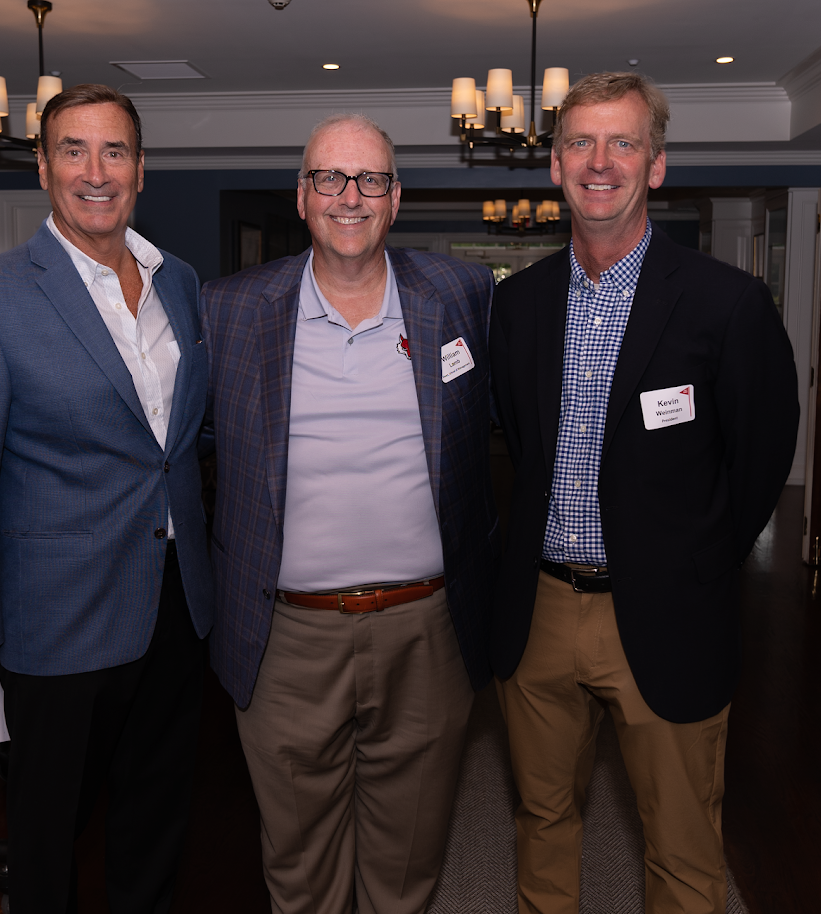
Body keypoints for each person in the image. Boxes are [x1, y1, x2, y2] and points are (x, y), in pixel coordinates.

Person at [489, 72, 799, 914]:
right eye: (580, 143)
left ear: (656, 166)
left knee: (682, 846)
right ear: (554, 165)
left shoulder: (726, 303)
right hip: (541, 609)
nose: (601, 162)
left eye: (623, 142)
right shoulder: (517, 306)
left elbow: (762, 453)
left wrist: (694, 561)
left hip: (667, 612)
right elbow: (518, 440)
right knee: (542, 821)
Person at [0, 84, 213, 913]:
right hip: (55, 622)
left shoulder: (178, 282)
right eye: (74, 151)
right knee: (47, 835)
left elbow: (171, 446)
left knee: (156, 817)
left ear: (141, 170)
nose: (96, 171)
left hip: (174, 607)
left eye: (114, 151)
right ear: (43, 167)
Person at [200, 113, 497, 914]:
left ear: (396, 199)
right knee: (300, 866)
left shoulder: (462, 294)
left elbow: (510, 432)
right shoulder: (227, 310)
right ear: (302, 196)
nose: (350, 196)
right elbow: (177, 452)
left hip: (427, 631)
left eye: (370, 180)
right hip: (284, 638)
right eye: (330, 177)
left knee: (409, 864)